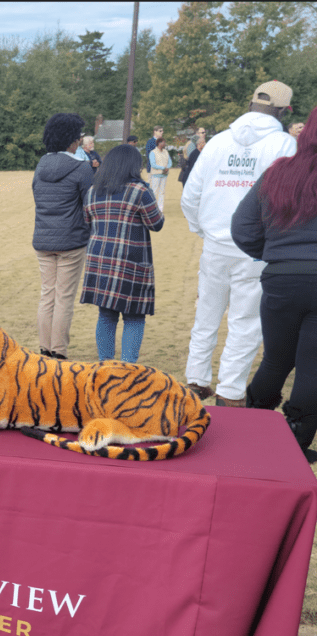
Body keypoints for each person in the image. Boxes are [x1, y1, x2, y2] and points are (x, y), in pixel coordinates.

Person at [181, 80, 297, 406]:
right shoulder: (284, 144)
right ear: (283, 111)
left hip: (215, 243)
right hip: (257, 247)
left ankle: (196, 379)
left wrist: (203, 230)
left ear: (250, 105)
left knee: (206, 315)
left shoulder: (218, 141)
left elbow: (191, 194)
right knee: (245, 322)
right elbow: (286, 199)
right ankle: (230, 392)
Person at [231, 109, 317, 463]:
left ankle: (254, 424)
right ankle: (295, 440)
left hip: (282, 278)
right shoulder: (278, 172)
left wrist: (275, 254)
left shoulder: (277, 173)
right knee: (312, 367)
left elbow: (242, 227)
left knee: (276, 360)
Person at [80, 144, 165, 363]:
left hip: (99, 260)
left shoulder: (93, 191)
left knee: (106, 314)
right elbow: (156, 223)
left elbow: (86, 222)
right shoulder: (140, 191)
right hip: (130, 260)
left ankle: (106, 366)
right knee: (134, 316)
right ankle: (127, 370)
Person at [31, 113, 95, 360]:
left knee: (47, 295)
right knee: (64, 298)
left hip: (44, 240)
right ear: (72, 140)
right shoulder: (82, 168)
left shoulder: (41, 166)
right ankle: (58, 351)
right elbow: (89, 205)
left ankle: (45, 349)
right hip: (71, 241)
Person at [147, 137, 172, 212]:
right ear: (159, 143)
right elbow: (153, 164)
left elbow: (170, 162)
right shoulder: (153, 152)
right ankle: (153, 208)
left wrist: (167, 167)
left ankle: (160, 209)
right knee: (154, 192)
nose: (164, 144)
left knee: (162, 192)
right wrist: (163, 168)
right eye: (163, 142)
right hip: (156, 175)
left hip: (164, 175)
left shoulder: (166, 152)